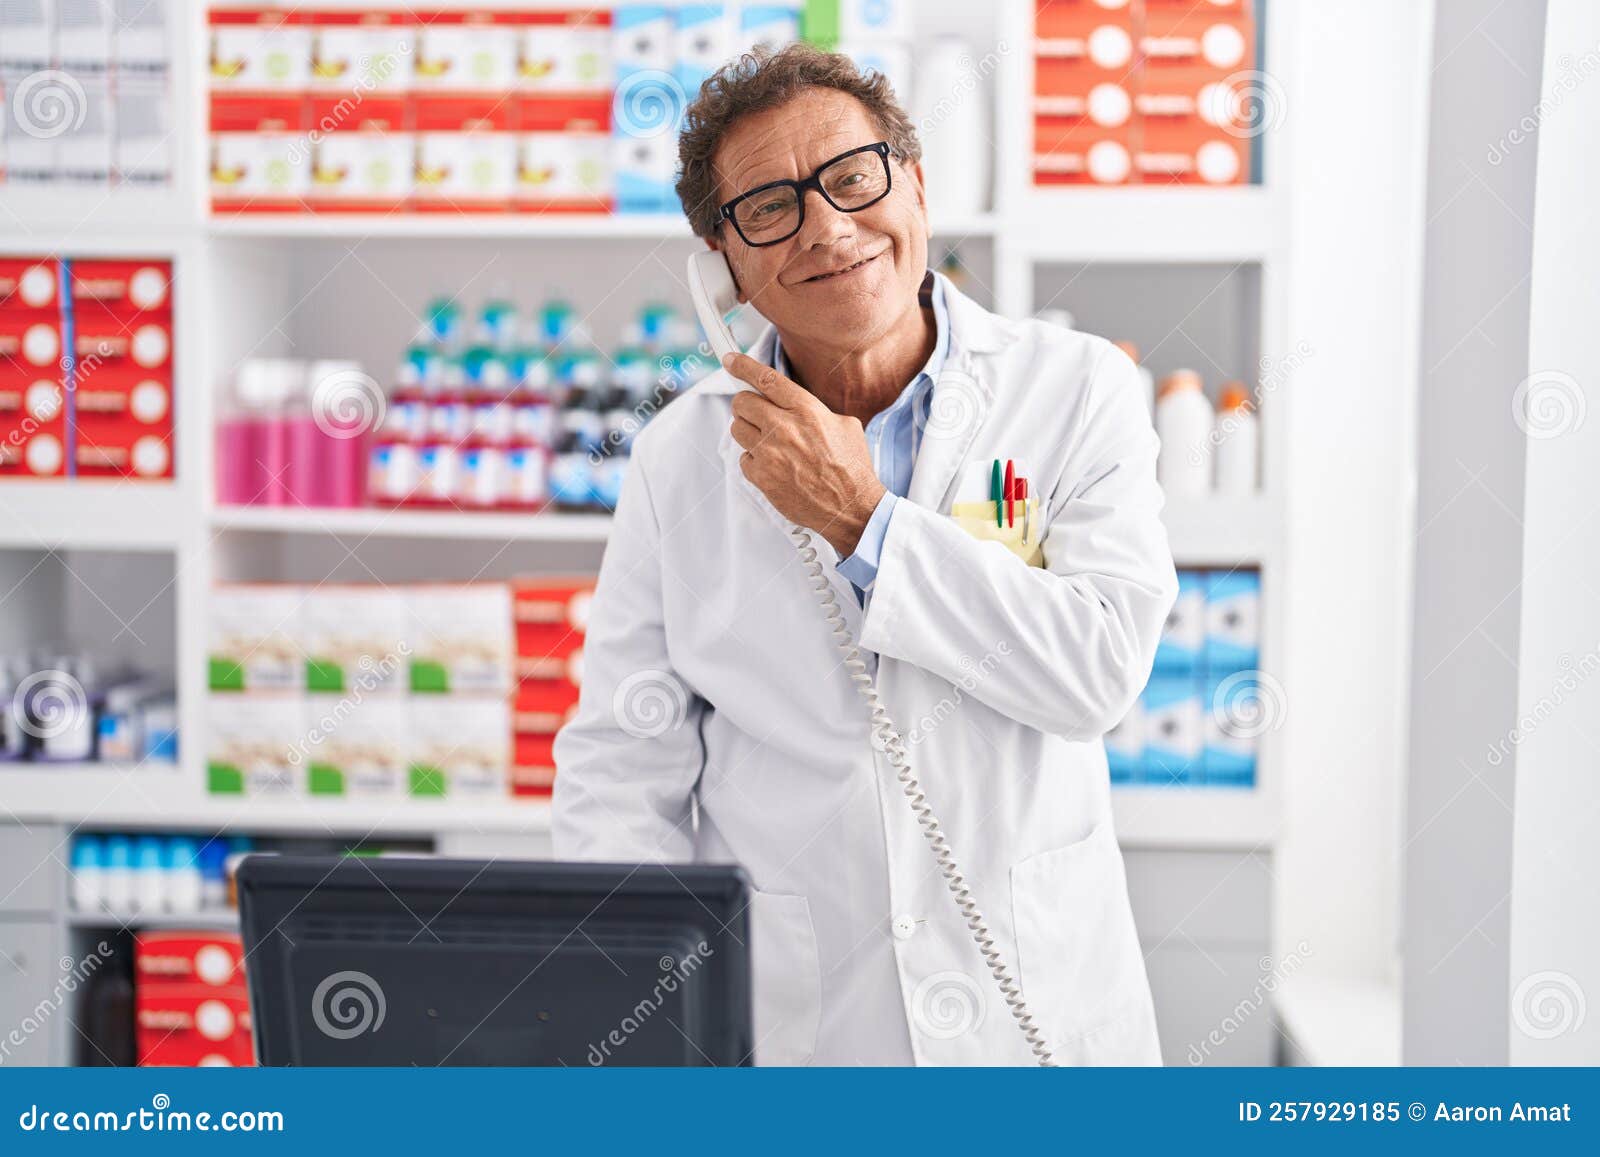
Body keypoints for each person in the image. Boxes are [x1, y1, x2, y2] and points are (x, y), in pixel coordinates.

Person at [553, 44, 1178, 1066]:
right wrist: (637, 1009)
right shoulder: (679, 456)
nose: (827, 229)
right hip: (802, 1027)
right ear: (725, 260)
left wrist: (861, 517)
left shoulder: (1076, 392)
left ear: (916, 184)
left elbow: (1097, 672)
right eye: (769, 207)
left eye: (851, 178)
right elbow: (624, 764)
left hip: (1036, 1006)